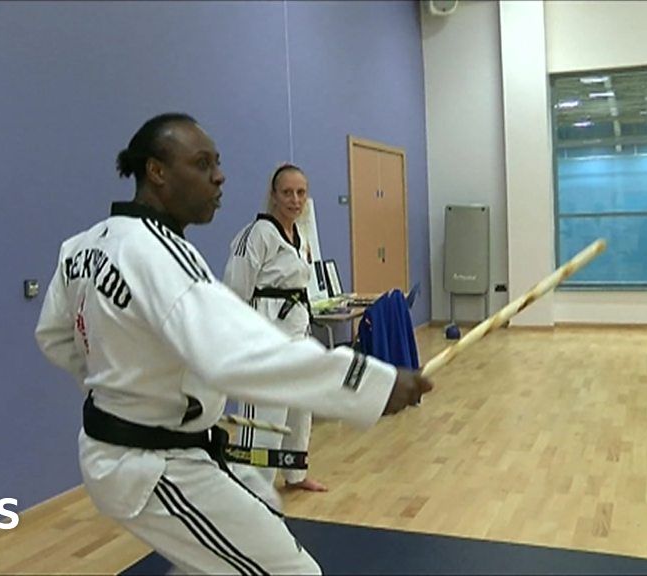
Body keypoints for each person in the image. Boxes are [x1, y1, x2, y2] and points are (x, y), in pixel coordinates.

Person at [35, 112, 432, 574]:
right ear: (157, 172)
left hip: (140, 447)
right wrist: (371, 383)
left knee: (260, 507)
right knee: (294, 572)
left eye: (217, 163)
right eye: (202, 164)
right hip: (151, 465)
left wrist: (134, 388)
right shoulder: (161, 255)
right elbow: (235, 352)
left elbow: (57, 337)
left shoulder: (82, 247)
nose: (219, 176)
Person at [223, 163, 327, 492]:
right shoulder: (257, 235)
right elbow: (234, 288)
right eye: (287, 192)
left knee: (299, 408)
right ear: (273, 195)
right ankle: (253, 486)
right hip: (264, 335)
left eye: (300, 192)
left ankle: (294, 474)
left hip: (296, 330)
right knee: (267, 414)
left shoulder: (301, 235)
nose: (295, 200)